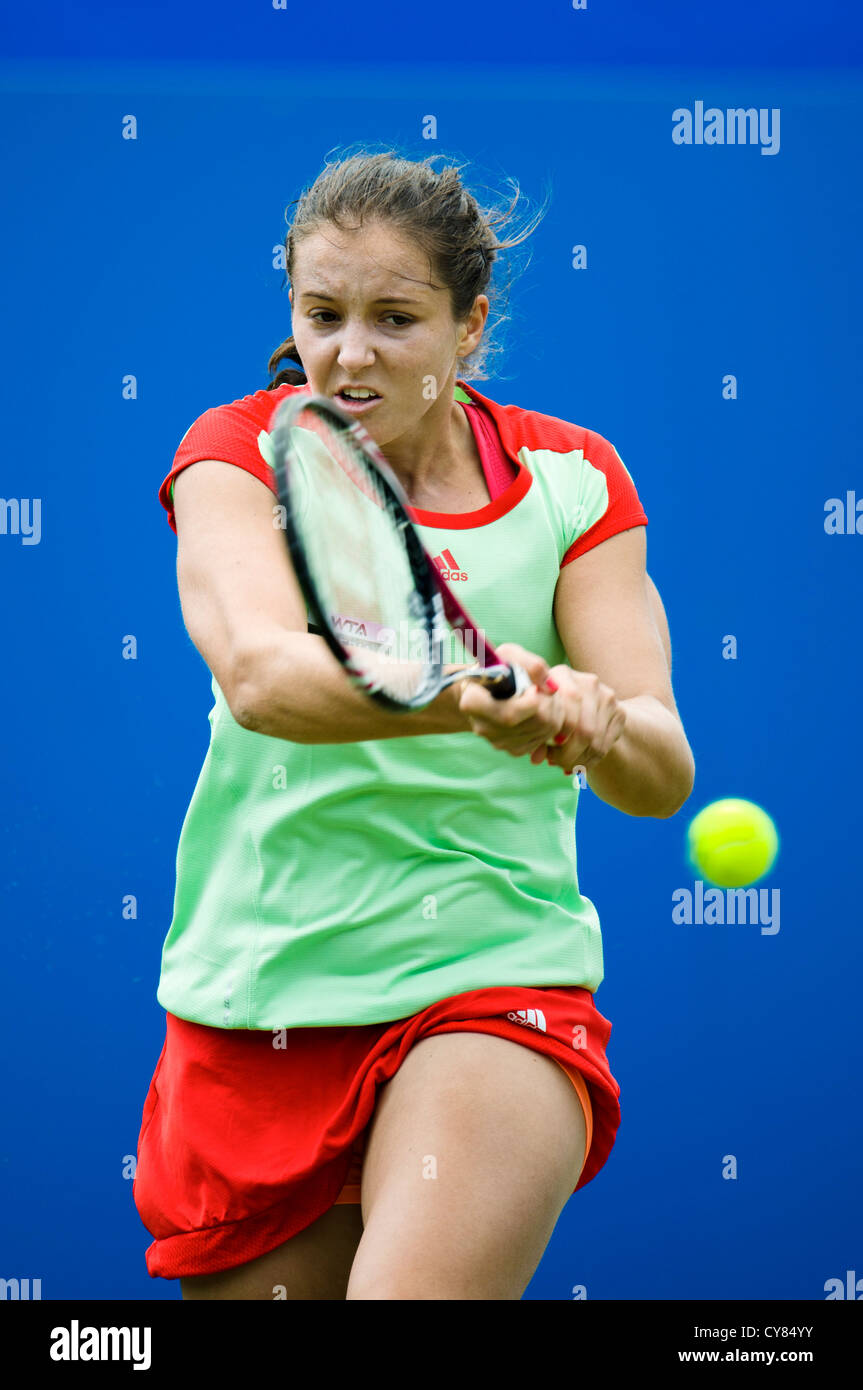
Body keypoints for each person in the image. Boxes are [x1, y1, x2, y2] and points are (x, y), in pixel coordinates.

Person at [133, 149, 694, 1301]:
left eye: (394, 318)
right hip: (260, 999)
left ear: (468, 323)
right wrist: (466, 691)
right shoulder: (236, 452)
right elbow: (260, 675)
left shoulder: (572, 478)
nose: (349, 353)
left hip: (490, 976)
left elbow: (660, 767)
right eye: (321, 314)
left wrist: (589, 725)